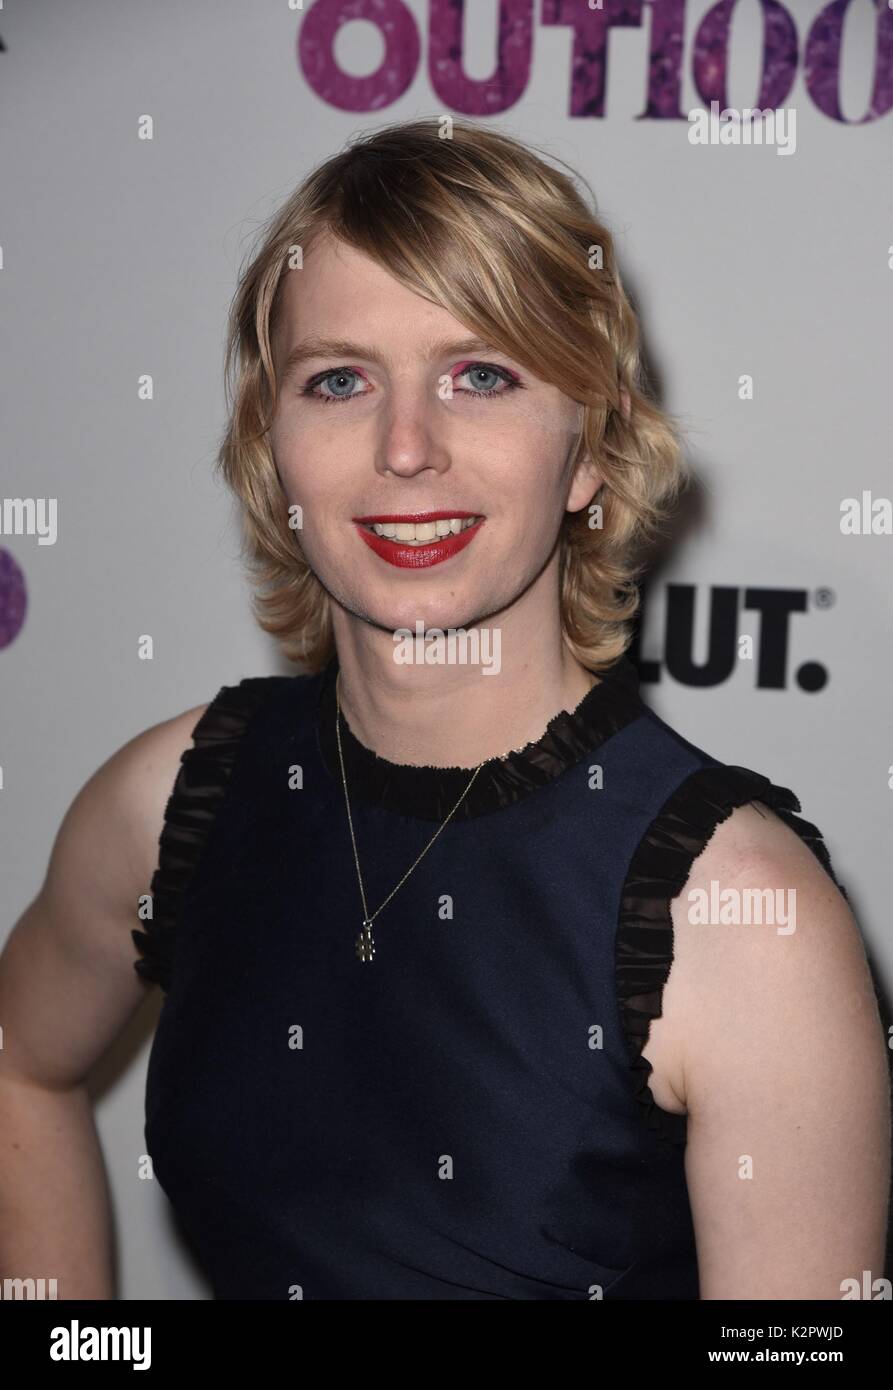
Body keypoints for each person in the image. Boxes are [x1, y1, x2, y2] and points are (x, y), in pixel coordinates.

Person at [1, 118, 889, 1302]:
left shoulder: (738, 919)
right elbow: (21, 1062)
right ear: (276, 446)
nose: (404, 448)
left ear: (587, 451)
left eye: (480, 375)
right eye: (337, 380)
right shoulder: (175, 800)